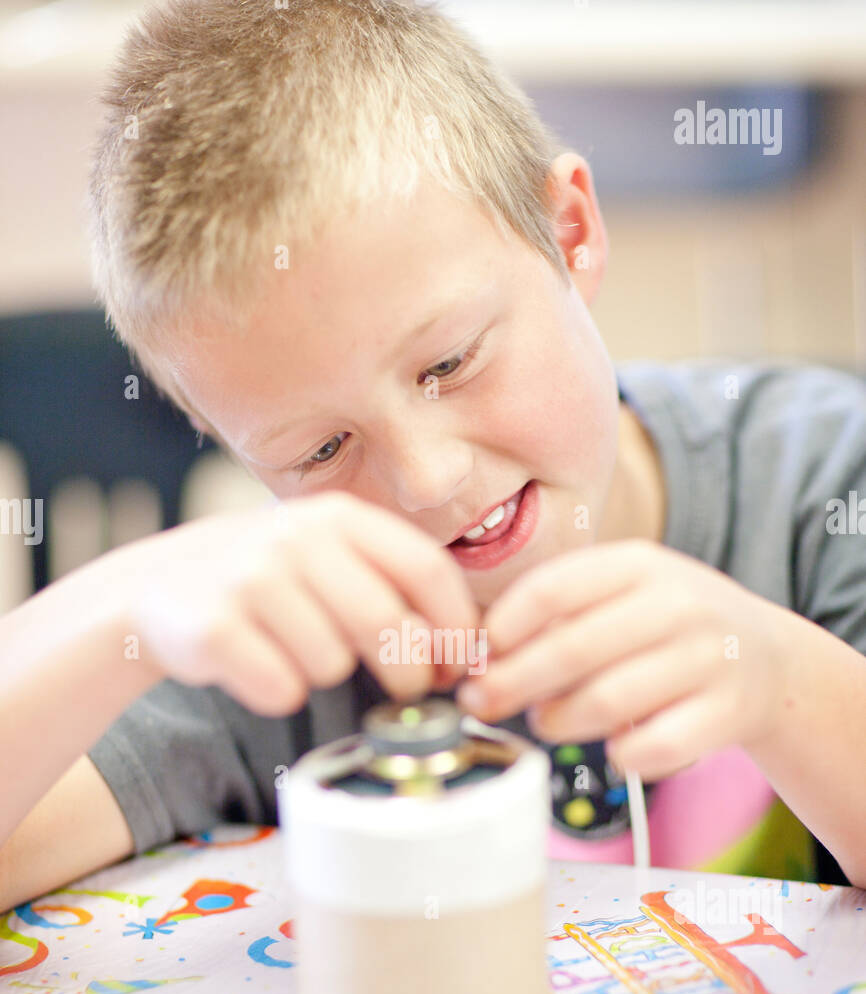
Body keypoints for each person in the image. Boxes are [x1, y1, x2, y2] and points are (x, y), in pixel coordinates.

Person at [2, 0, 866, 915]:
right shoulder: (290, 655)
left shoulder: (820, 479)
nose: (428, 478)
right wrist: (122, 603)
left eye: (449, 362)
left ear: (569, 232)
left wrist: (780, 680)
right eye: (321, 448)